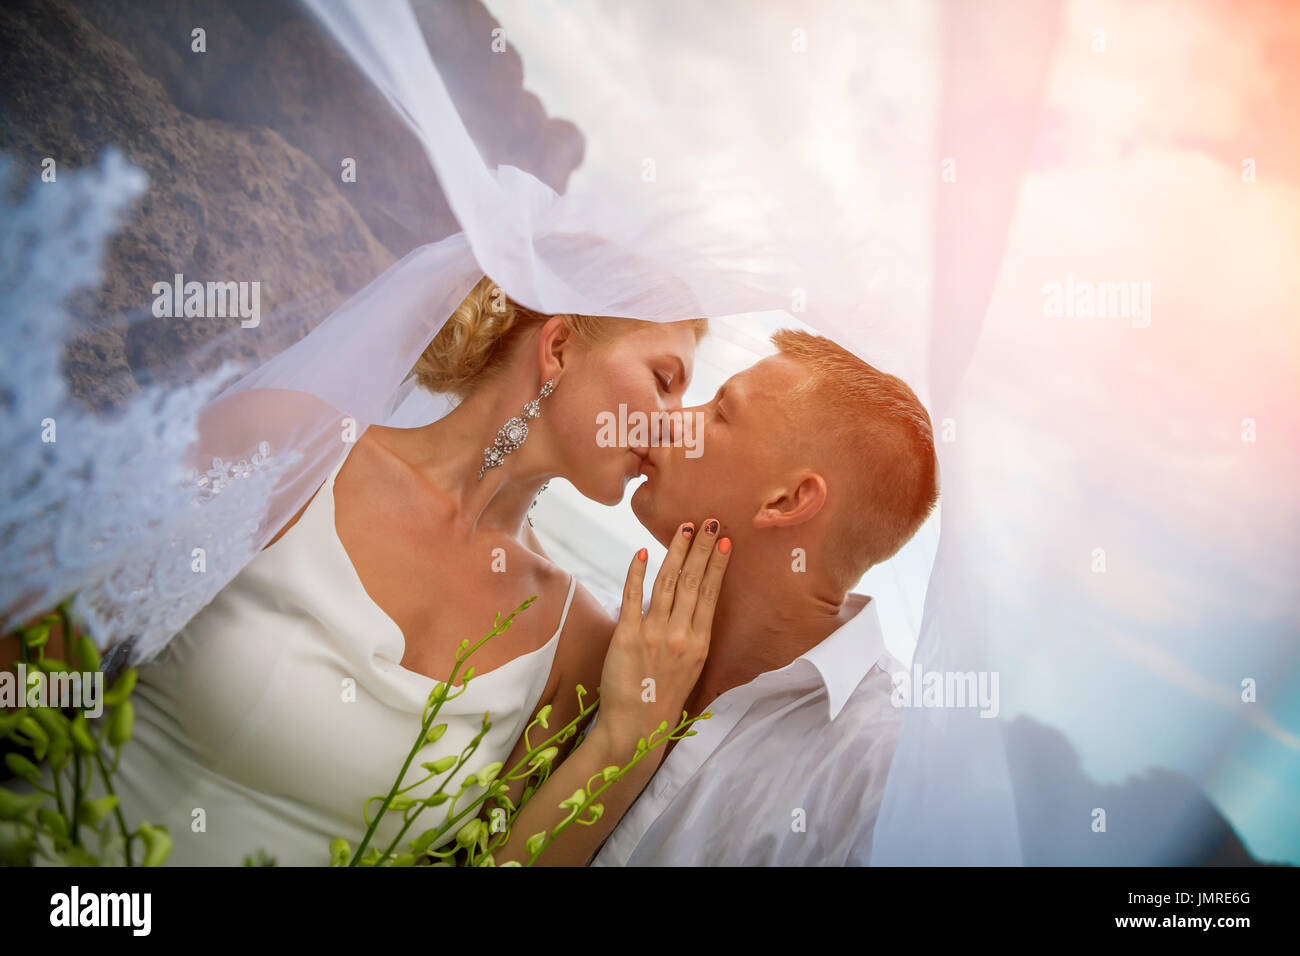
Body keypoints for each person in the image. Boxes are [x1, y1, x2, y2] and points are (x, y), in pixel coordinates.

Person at [81, 276, 729, 866]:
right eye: (663, 381)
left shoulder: (578, 641)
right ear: (557, 347)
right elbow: (40, 648)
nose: (672, 428)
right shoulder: (284, 447)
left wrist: (624, 738)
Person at [591, 329, 939, 865]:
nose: (669, 421)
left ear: (787, 500)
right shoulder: (597, 633)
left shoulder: (888, 780)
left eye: (720, 413)